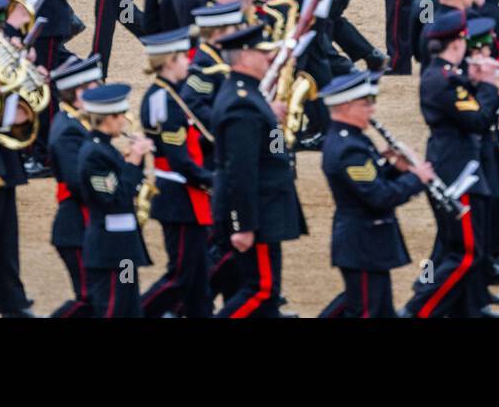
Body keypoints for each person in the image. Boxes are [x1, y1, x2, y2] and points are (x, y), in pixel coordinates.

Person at [402, 11, 499, 318]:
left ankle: (471, 309)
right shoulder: (443, 80)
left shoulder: (445, 75)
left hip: (458, 164)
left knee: (463, 247)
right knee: (466, 254)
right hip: (458, 170)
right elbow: (478, 119)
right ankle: (418, 310)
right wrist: (490, 86)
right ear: (456, 44)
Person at [318, 69, 434, 318]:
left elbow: (372, 182)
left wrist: (394, 168)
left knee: (375, 307)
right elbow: (379, 196)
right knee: (367, 309)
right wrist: (416, 179)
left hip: (367, 241)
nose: (372, 109)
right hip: (362, 242)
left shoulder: (354, 140)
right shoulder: (349, 148)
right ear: (346, 106)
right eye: (366, 103)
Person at [211, 22, 304, 317]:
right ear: (243, 57)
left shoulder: (249, 97)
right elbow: (240, 171)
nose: (267, 58)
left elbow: (271, 151)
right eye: (260, 53)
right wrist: (243, 225)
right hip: (256, 213)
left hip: (265, 208)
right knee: (261, 289)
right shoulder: (243, 105)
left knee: (265, 300)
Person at [139, 28, 215, 318]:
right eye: (183, 56)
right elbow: (179, 159)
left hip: (186, 195)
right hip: (179, 197)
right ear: (169, 60)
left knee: (199, 281)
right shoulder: (164, 100)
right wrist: (212, 180)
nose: (188, 61)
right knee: (181, 277)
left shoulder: (170, 94)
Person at [76, 82, 153, 317]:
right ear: (107, 119)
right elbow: (113, 198)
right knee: (114, 309)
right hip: (110, 254)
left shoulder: (105, 150)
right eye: (120, 115)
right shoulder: (94, 154)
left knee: (129, 307)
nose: (123, 120)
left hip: (123, 253)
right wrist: (133, 163)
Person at [46, 53, 102, 318]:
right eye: (94, 86)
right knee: (89, 299)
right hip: (75, 228)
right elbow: (78, 180)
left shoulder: (75, 123)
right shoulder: (68, 129)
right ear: (79, 93)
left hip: (82, 225)